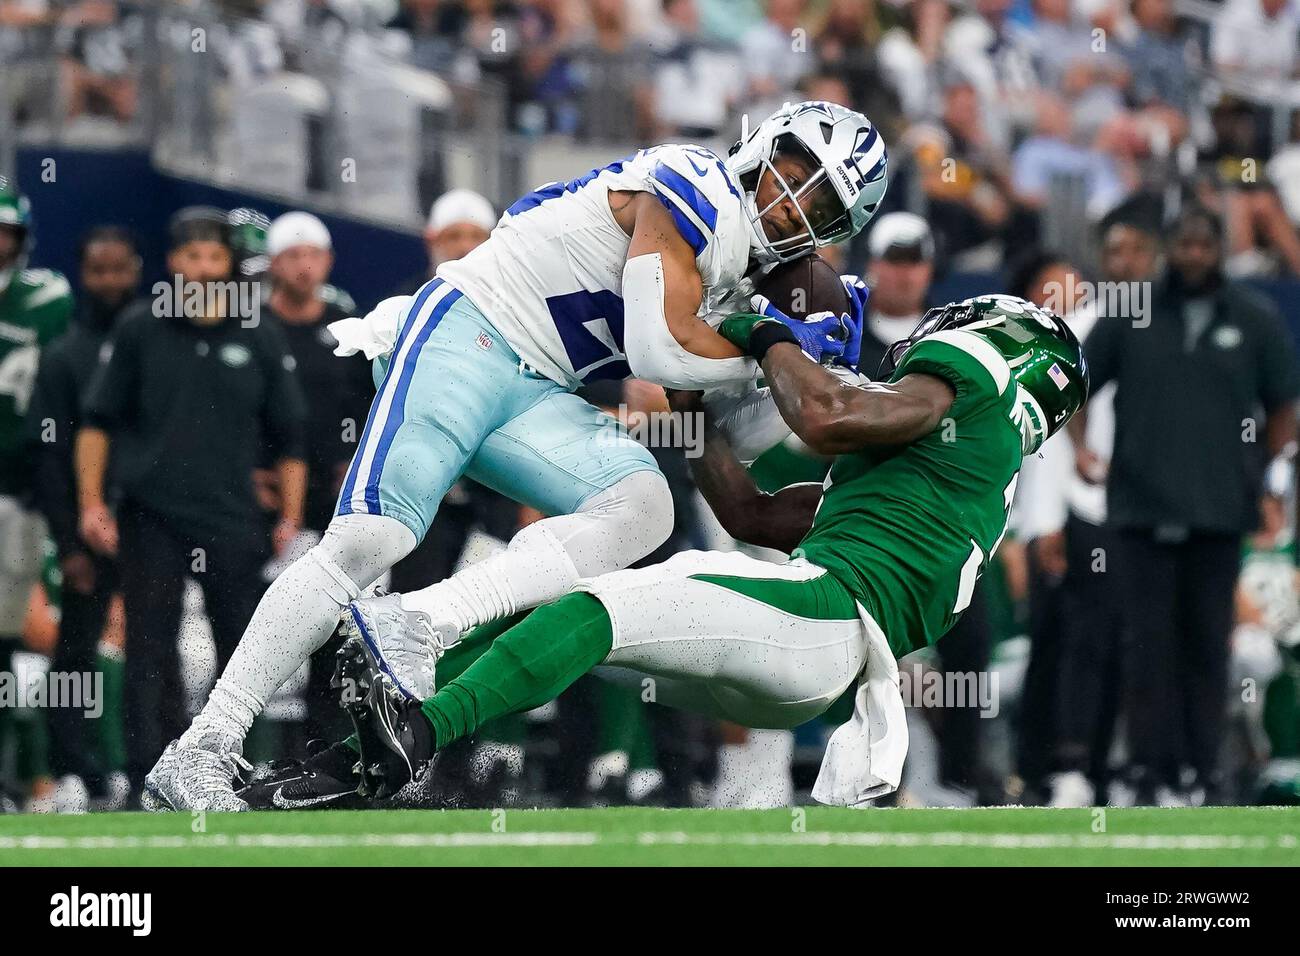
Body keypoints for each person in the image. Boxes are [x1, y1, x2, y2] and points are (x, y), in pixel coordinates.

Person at [143, 101, 890, 811]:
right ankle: (204, 745)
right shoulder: (695, 181)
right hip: (469, 331)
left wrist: (795, 383)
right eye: (796, 173)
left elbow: (721, 438)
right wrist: (775, 346)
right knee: (371, 539)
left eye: (820, 206)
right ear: (765, 145)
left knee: (643, 507)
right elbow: (660, 345)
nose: (794, 204)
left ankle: (423, 620)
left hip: (536, 388)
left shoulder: (736, 287)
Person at [333, 294, 1088, 806]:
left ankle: (413, 739)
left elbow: (826, 415)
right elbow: (749, 512)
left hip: (822, 615)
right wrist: (689, 403)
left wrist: (765, 332)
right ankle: (356, 754)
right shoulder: (957, 478)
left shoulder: (977, 384)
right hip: (817, 663)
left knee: (593, 606)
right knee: (554, 616)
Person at [1072, 205, 1300, 804]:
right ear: (1169, 248)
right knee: (1146, 646)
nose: (1194, 255)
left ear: (1219, 249)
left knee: (1208, 645)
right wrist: (1080, 448)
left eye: (1204, 245)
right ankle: (1148, 770)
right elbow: (1075, 381)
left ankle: (1204, 769)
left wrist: (1270, 475)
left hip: (1219, 509)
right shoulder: (1130, 310)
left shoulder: (1253, 316)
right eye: (1185, 245)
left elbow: (1282, 405)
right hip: (1140, 509)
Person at [78, 206, 308, 793]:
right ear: (173, 262)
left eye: (214, 255)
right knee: (149, 647)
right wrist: (92, 503)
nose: (203, 267)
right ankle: (147, 775)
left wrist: (290, 515)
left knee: (243, 647)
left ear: (229, 263)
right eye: (191, 255)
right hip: (150, 513)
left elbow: (290, 435)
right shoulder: (139, 327)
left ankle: (233, 772)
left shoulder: (257, 331)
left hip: (232, 516)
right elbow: (97, 422)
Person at [25, 225, 139, 806]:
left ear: (138, 270)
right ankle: (71, 769)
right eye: (99, 270)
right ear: (82, 275)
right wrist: (69, 544)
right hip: (87, 529)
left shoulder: (154, 343)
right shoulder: (65, 355)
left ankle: (146, 766)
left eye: (119, 268)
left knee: (152, 649)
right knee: (74, 652)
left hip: (151, 524)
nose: (110, 281)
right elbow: (47, 458)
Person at [0, 177, 73, 715]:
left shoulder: (45, 297)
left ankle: (26, 750)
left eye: (4, 232)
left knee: (17, 623)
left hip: (18, 485)